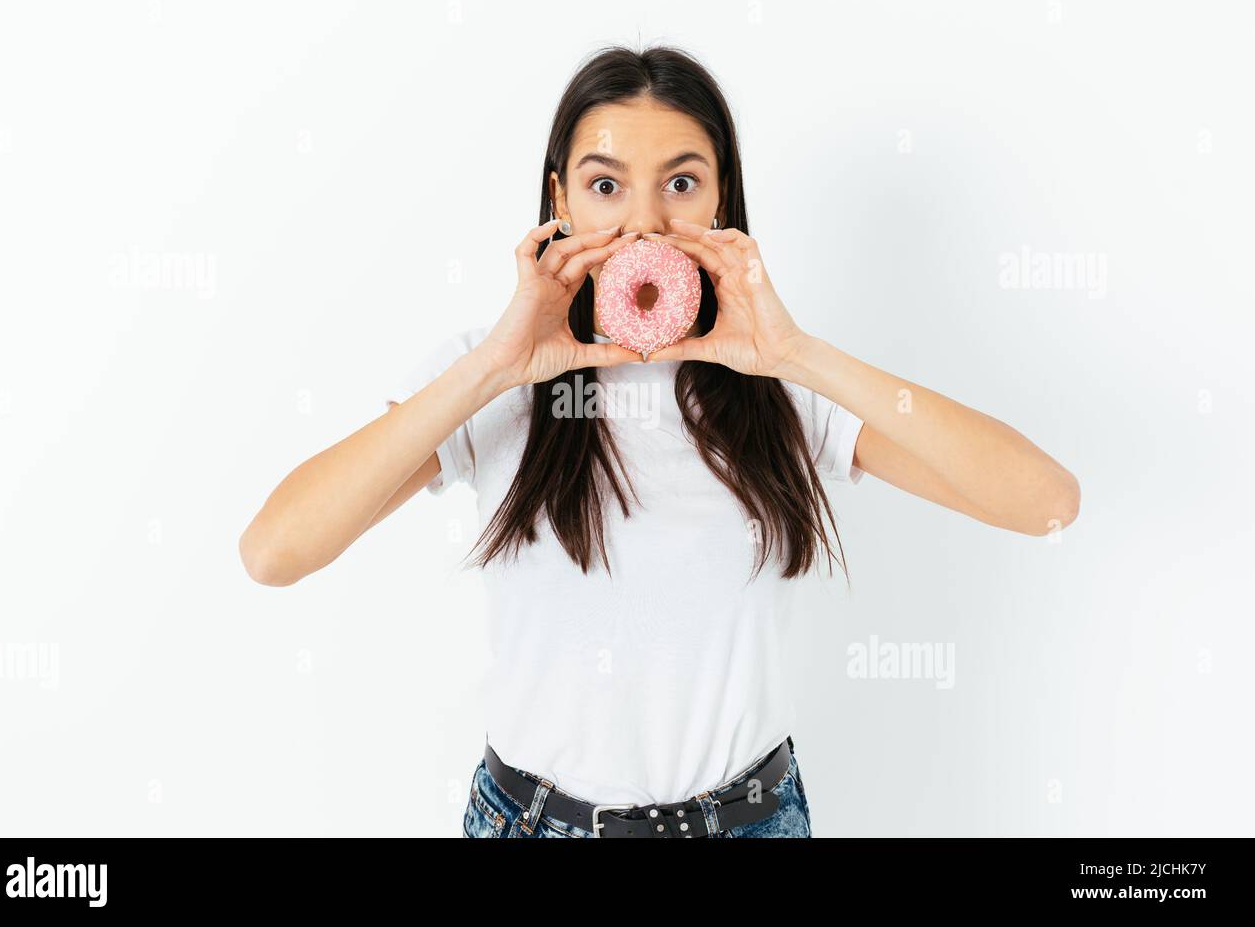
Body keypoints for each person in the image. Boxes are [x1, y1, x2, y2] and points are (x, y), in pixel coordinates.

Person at [238, 45, 1080, 838]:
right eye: (607, 187)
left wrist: (794, 355)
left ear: (722, 199)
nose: (644, 222)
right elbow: (275, 550)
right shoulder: (493, 379)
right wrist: (496, 365)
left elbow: (1046, 504)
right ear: (560, 199)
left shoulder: (779, 385)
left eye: (680, 182)